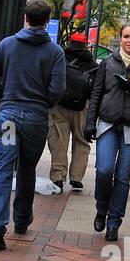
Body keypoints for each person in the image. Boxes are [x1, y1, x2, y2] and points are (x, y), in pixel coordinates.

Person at [0, 0, 66, 251]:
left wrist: (5, 97)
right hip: (35, 119)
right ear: (48, 21)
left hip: (9, 116)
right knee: (28, 168)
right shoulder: (55, 53)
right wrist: (42, 102)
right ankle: (21, 219)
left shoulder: (7, 45)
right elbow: (57, 90)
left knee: (3, 168)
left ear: (25, 17)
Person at [84, 23, 130, 242]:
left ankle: (114, 222)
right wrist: (90, 122)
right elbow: (96, 93)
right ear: (120, 38)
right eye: (126, 36)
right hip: (108, 124)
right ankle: (101, 208)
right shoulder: (108, 62)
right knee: (104, 170)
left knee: (123, 177)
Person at [47, 32, 96, 192]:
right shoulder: (91, 62)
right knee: (81, 141)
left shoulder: (60, 57)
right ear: (85, 45)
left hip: (60, 105)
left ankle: (58, 177)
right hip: (82, 106)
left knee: (59, 140)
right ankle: (76, 178)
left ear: (70, 42)